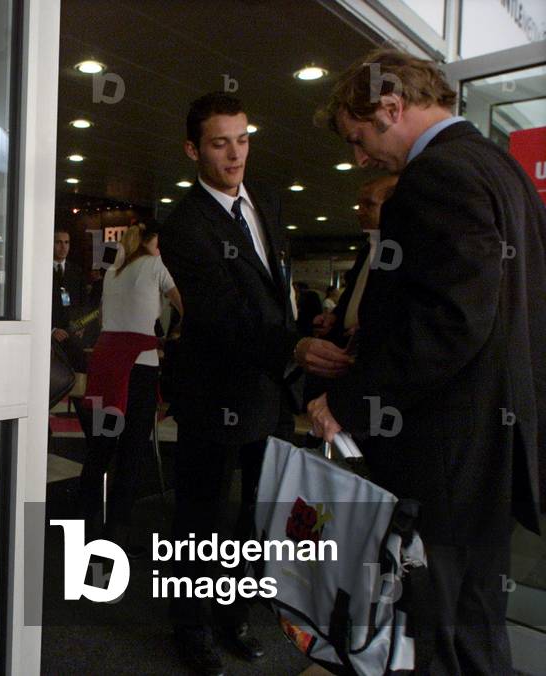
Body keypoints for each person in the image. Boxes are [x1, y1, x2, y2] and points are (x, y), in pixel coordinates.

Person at [308, 47, 544, 675]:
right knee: (474, 626)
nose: (360, 159)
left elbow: (451, 320)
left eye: (361, 138)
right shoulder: (503, 169)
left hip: (444, 457)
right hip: (489, 451)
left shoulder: (436, 175)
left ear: (392, 105)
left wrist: (349, 401)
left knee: (442, 634)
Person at [159, 91, 351, 675]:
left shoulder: (265, 199)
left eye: (243, 139)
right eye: (221, 143)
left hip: (267, 391)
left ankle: (232, 615)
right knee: (200, 519)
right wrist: (292, 344)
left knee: (256, 517)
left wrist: (304, 327)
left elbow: (272, 288)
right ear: (194, 149)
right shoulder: (184, 225)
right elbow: (220, 315)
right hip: (214, 391)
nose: (236, 153)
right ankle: (190, 628)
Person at [79, 222, 182, 554]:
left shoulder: (112, 271)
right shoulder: (154, 265)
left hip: (106, 367)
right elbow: (185, 306)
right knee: (131, 452)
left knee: (100, 447)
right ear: (151, 242)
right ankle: (116, 531)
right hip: (139, 369)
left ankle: (86, 522)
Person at [315, 175, 398, 345]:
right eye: (359, 204)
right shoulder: (368, 248)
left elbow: (387, 299)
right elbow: (353, 296)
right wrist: (334, 317)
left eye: (369, 205)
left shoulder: (393, 248)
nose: (359, 211)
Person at [51, 227, 87, 370]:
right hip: (49, 337)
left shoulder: (76, 271)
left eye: (66, 242)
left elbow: (83, 302)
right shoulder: (42, 269)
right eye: (58, 242)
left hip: (72, 333)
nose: (63, 247)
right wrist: (52, 330)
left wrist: (81, 324)